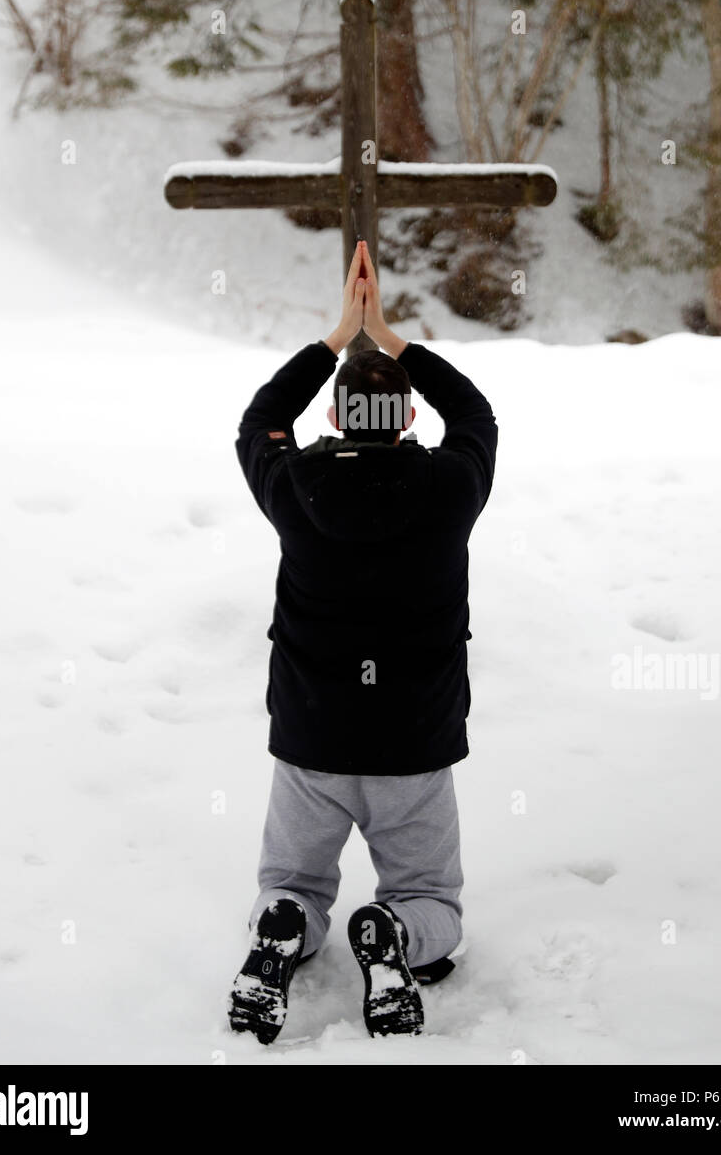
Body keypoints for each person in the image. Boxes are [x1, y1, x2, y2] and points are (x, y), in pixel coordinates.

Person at [228, 241, 498, 1043]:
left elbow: (259, 422)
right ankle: (397, 936)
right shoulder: (451, 489)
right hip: (413, 743)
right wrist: (392, 337)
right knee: (429, 899)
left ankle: (284, 923)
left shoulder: (293, 488)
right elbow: (477, 418)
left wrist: (334, 339)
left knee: (293, 881)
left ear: (338, 416)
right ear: (410, 417)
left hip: (313, 738)